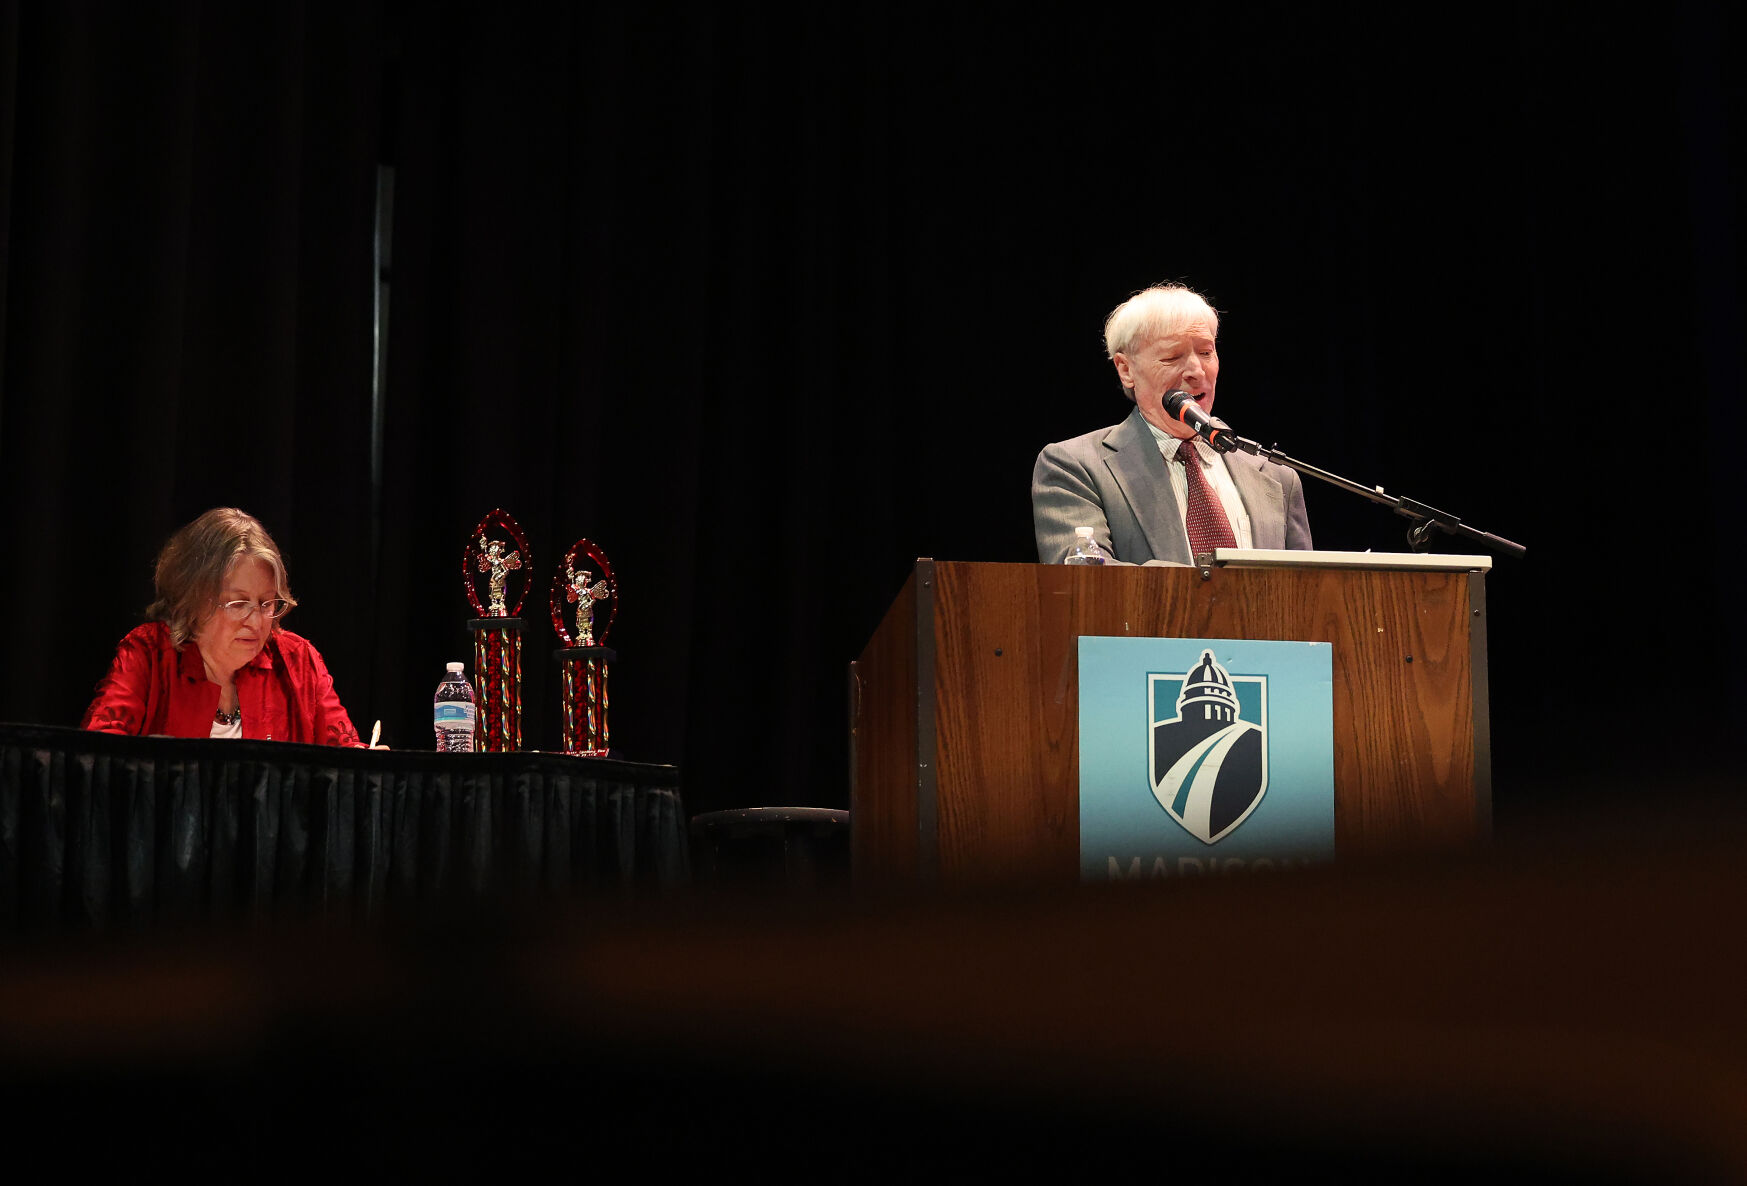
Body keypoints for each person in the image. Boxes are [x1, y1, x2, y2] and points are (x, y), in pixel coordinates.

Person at [1032, 284, 1313, 565]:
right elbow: (1086, 583)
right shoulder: (1074, 467)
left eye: (1206, 353)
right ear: (1126, 370)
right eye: (1171, 357)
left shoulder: (1277, 478)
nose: (1196, 371)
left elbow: (1306, 593)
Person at [82, 507, 379, 746]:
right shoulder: (148, 654)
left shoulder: (299, 662)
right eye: (238, 603)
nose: (256, 620)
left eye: (266, 603)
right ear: (194, 600)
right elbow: (99, 755)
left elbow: (346, 761)